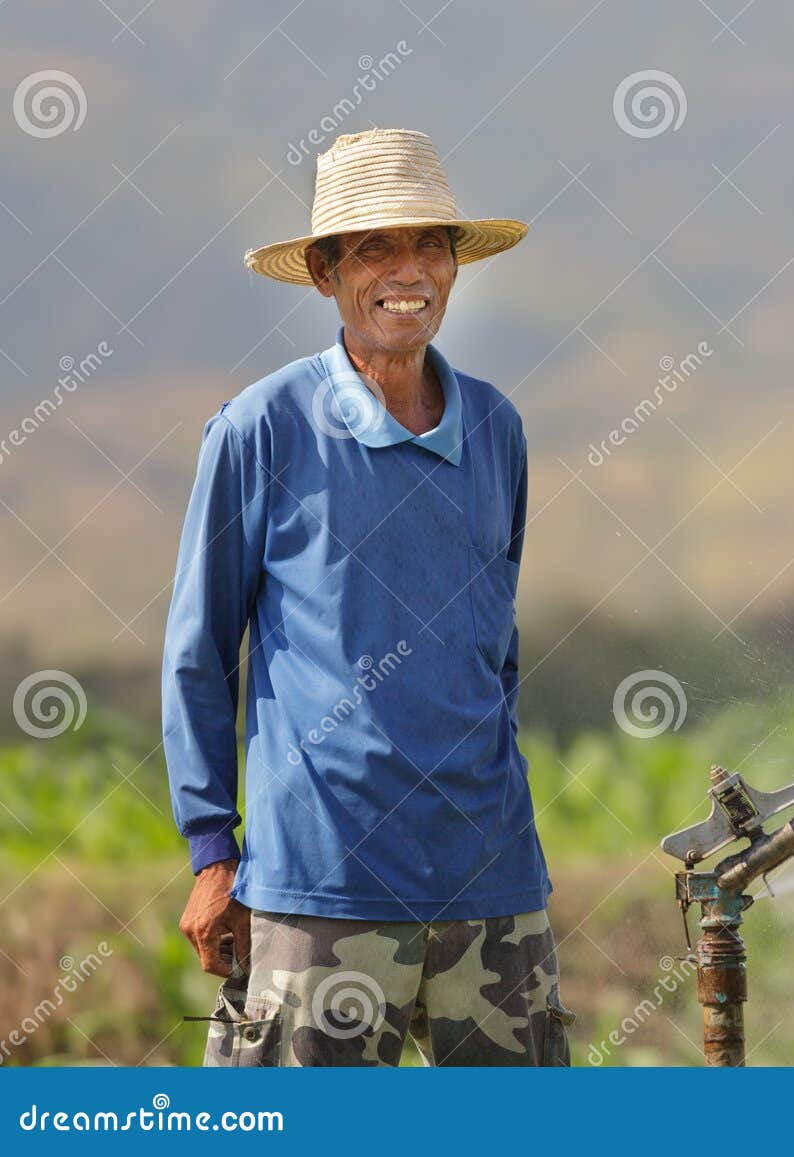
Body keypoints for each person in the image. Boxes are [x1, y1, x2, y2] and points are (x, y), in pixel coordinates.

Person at [161, 128, 570, 1066]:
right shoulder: (261, 428)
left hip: (490, 881)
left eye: (431, 244)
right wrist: (212, 851)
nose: (409, 271)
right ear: (323, 272)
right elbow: (198, 652)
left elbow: (492, 647)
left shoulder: (497, 428)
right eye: (376, 248)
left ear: (457, 266)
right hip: (322, 881)